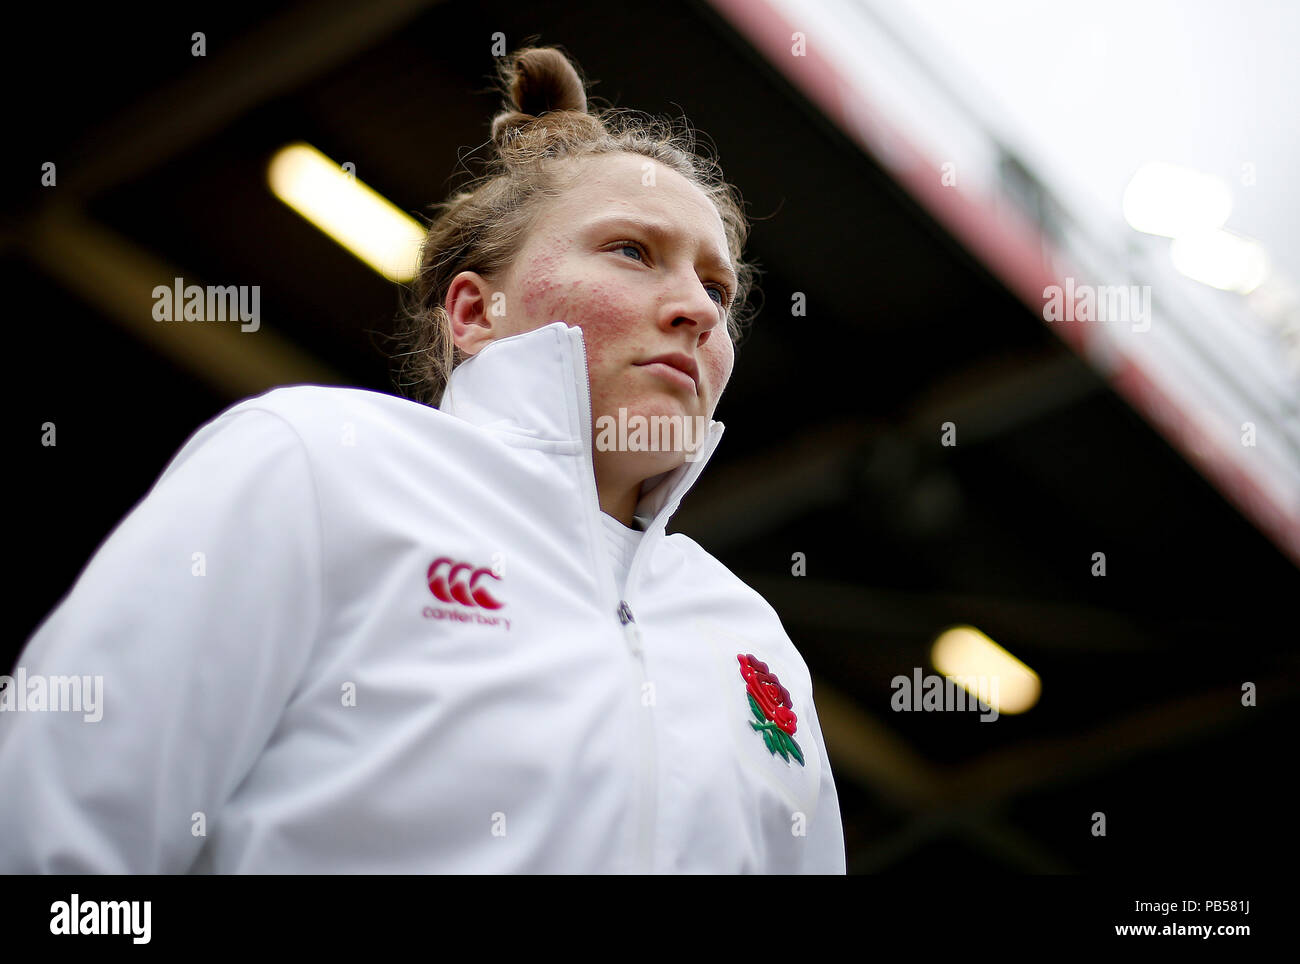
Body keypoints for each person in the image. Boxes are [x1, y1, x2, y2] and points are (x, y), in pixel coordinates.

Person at [0, 45, 846, 874]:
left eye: (721, 290)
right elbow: (57, 828)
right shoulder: (319, 465)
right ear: (476, 312)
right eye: (632, 251)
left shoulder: (750, 638)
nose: (697, 309)